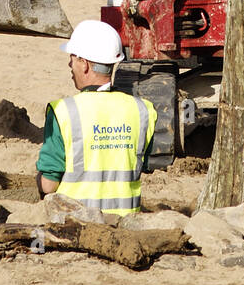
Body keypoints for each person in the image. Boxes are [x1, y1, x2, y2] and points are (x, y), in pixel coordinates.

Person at [35, 19, 155, 217]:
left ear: (85, 64)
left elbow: (49, 185)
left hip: (75, 225)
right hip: (126, 226)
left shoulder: (63, 111)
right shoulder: (142, 110)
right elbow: (143, 164)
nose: (69, 63)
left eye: (72, 57)